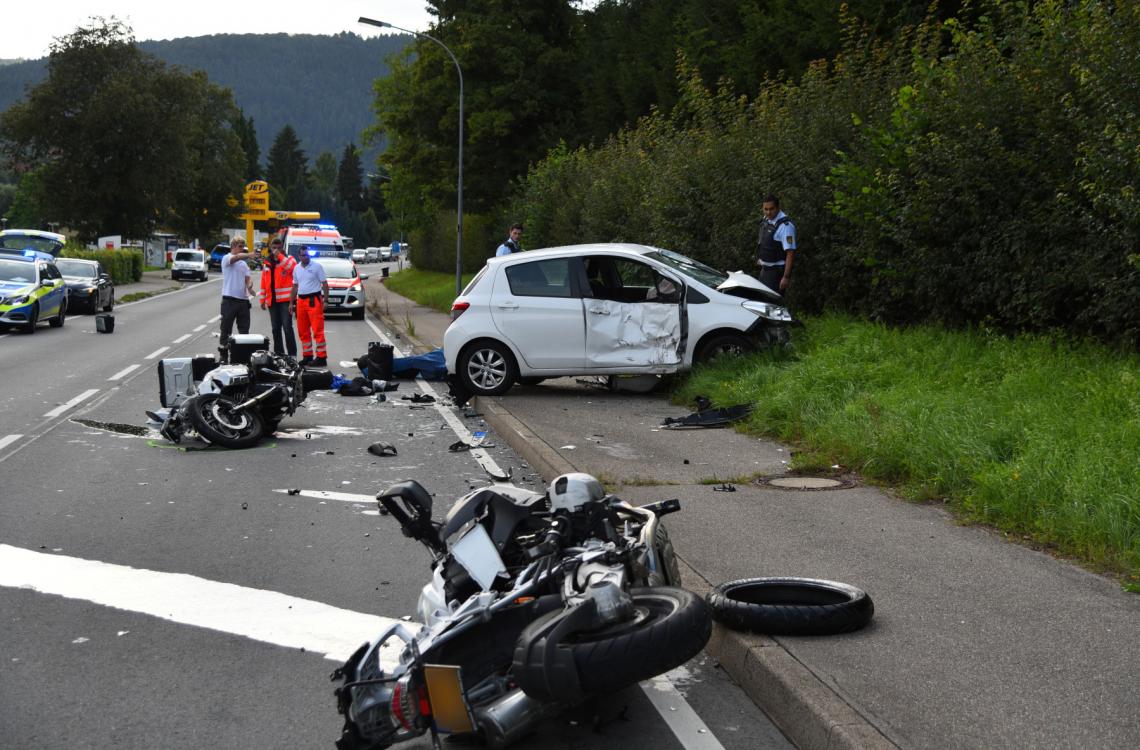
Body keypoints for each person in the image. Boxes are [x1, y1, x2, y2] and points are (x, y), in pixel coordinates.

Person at [289, 247, 329, 367]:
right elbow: (295, 286)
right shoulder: (296, 268)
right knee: (303, 331)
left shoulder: (317, 267)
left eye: (306, 255)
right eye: (302, 255)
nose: (305, 257)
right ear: (299, 256)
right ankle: (307, 356)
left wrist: (325, 300)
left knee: (317, 330)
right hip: (300, 301)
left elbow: (325, 284)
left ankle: (321, 358)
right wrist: (291, 303)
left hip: (314, 300)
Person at [259, 237, 298, 357]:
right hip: (272, 301)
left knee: (287, 328)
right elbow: (264, 280)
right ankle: (279, 354)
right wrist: (262, 299)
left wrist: (280, 256)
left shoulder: (288, 259)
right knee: (275, 329)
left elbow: (292, 267)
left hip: (285, 300)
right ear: (270, 248)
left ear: (282, 248)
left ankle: (292, 355)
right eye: (273, 248)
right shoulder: (267, 261)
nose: (275, 250)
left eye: (278, 248)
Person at [219, 236, 256, 356]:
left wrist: (250, 287)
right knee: (226, 328)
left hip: (243, 301)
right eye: (240, 246)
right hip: (229, 299)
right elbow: (236, 258)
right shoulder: (227, 258)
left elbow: (248, 279)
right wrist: (249, 254)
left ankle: (242, 355)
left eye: (243, 246)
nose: (242, 249)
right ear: (233, 246)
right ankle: (224, 354)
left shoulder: (243, 265)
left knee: (244, 330)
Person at [755, 194, 796, 293]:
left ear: (778, 208)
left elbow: (790, 252)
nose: (768, 212)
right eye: (766, 209)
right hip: (764, 270)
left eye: (771, 209)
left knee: (772, 306)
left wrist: (786, 277)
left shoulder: (785, 226)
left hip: (775, 274)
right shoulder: (766, 220)